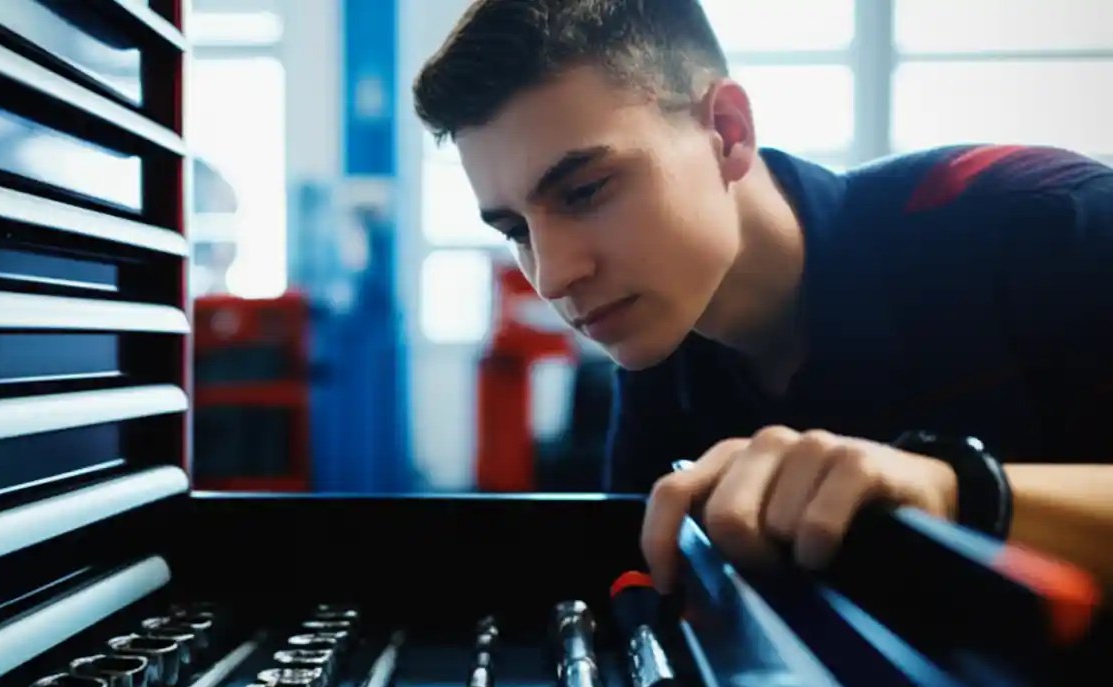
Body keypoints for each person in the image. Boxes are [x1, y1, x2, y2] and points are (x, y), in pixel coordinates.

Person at [411, 0, 1113, 591]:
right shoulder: (661, 346)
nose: (552, 277)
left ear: (728, 132)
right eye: (515, 230)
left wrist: (952, 492)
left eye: (586, 191)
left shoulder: (1051, 223)